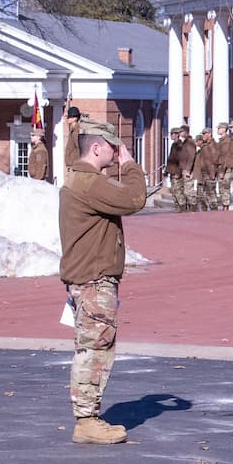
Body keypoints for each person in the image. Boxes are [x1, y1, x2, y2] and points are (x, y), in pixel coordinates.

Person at [58, 119, 146, 444]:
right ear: (96, 148)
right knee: (94, 349)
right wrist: (131, 165)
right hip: (94, 280)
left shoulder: (80, 179)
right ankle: (86, 420)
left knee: (94, 346)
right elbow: (135, 199)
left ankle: (88, 416)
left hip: (89, 278)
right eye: (112, 146)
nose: (117, 151)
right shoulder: (90, 183)